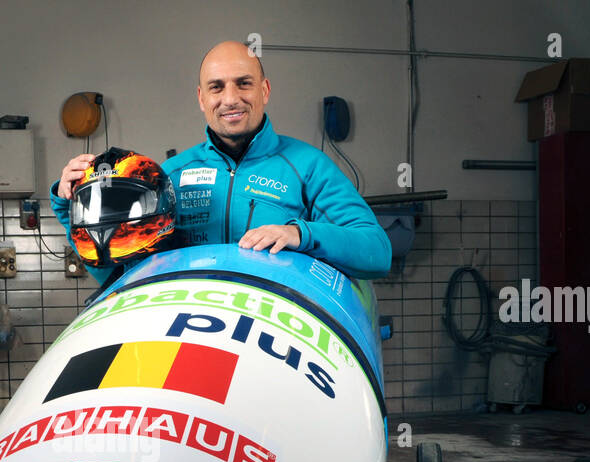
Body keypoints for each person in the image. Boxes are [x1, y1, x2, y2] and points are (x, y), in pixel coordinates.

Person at [50, 40, 391, 286]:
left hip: (277, 342)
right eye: (216, 87)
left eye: (244, 83)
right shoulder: (169, 175)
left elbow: (376, 252)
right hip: (192, 339)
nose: (230, 99)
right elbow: (114, 273)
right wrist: (70, 209)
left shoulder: (307, 166)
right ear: (201, 98)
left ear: (265, 90)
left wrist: (300, 233)